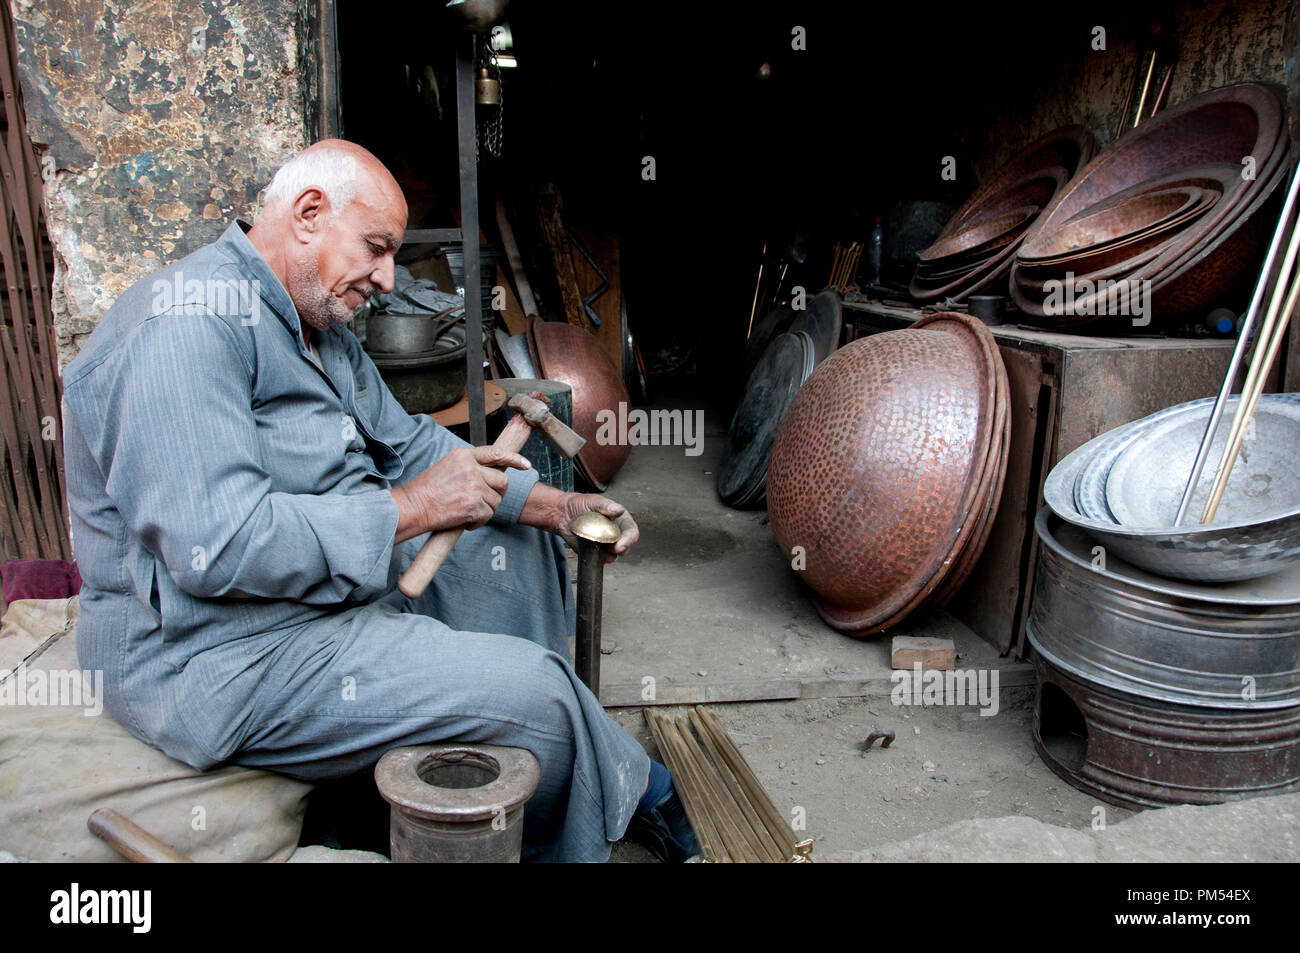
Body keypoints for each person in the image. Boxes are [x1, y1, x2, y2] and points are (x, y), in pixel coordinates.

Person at [61, 139, 697, 863]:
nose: (389, 278)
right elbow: (223, 549)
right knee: (538, 697)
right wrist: (413, 510)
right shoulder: (182, 329)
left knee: (514, 546)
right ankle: (586, 764)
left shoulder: (313, 319)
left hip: (314, 592)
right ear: (308, 214)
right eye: (377, 248)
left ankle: (493, 766)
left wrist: (550, 503)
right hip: (222, 652)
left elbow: (409, 445)